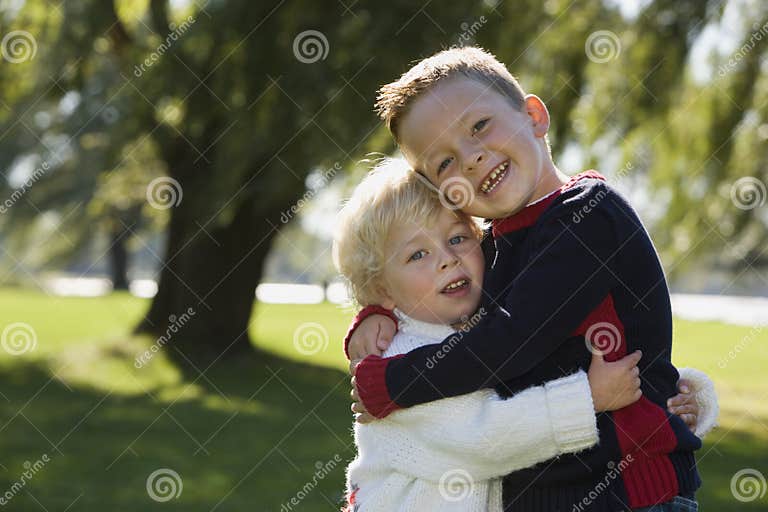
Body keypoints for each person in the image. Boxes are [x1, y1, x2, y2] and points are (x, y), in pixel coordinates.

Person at [347, 47, 718, 511]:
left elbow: (510, 340)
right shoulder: (496, 245)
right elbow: (441, 294)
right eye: (443, 163)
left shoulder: (586, 215)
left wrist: (394, 384)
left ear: (534, 116)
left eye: (478, 126)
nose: (471, 158)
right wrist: (380, 312)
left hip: (626, 490)